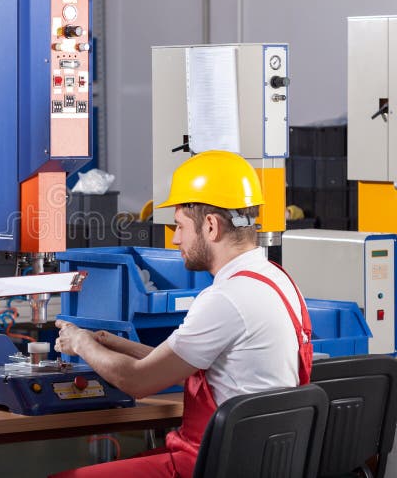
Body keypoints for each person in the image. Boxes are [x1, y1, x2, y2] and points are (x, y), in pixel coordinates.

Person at [52, 150, 313, 478]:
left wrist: (80, 343)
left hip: (211, 464)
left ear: (211, 226)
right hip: (258, 462)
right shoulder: (278, 280)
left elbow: (137, 381)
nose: (175, 239)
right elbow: (193, 365)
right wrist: (113, 344)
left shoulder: (225, 298)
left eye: (180, 226)